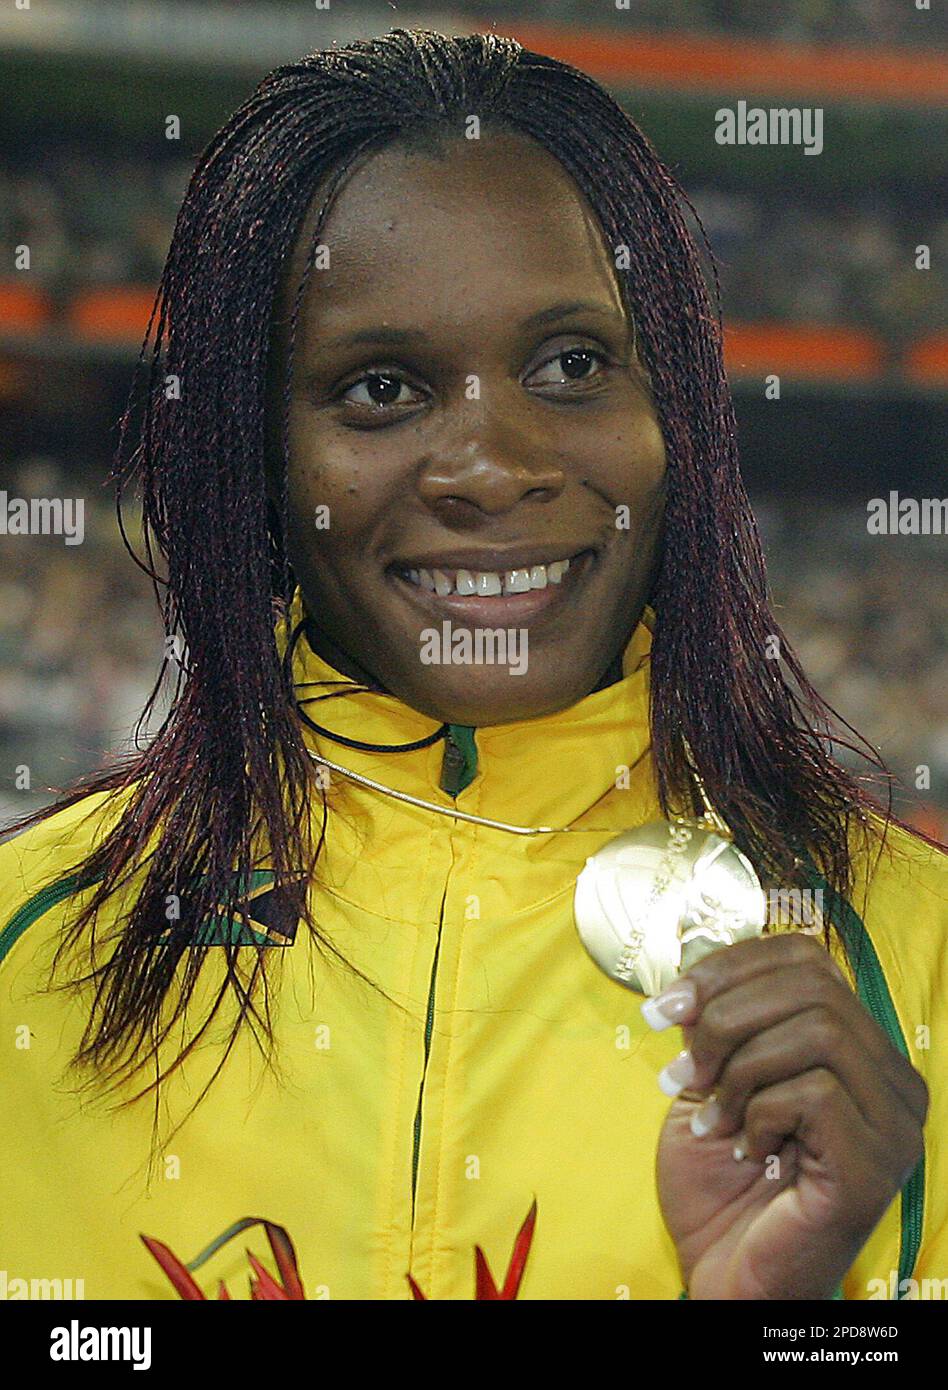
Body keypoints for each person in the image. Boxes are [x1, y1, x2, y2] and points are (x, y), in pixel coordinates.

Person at [0, 28, 944, 1302]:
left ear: (679, 417)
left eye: (571, 364)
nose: (493, 467)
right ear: (258, 459)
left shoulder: (912, 956)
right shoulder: (34, 951)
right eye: (381, 386)